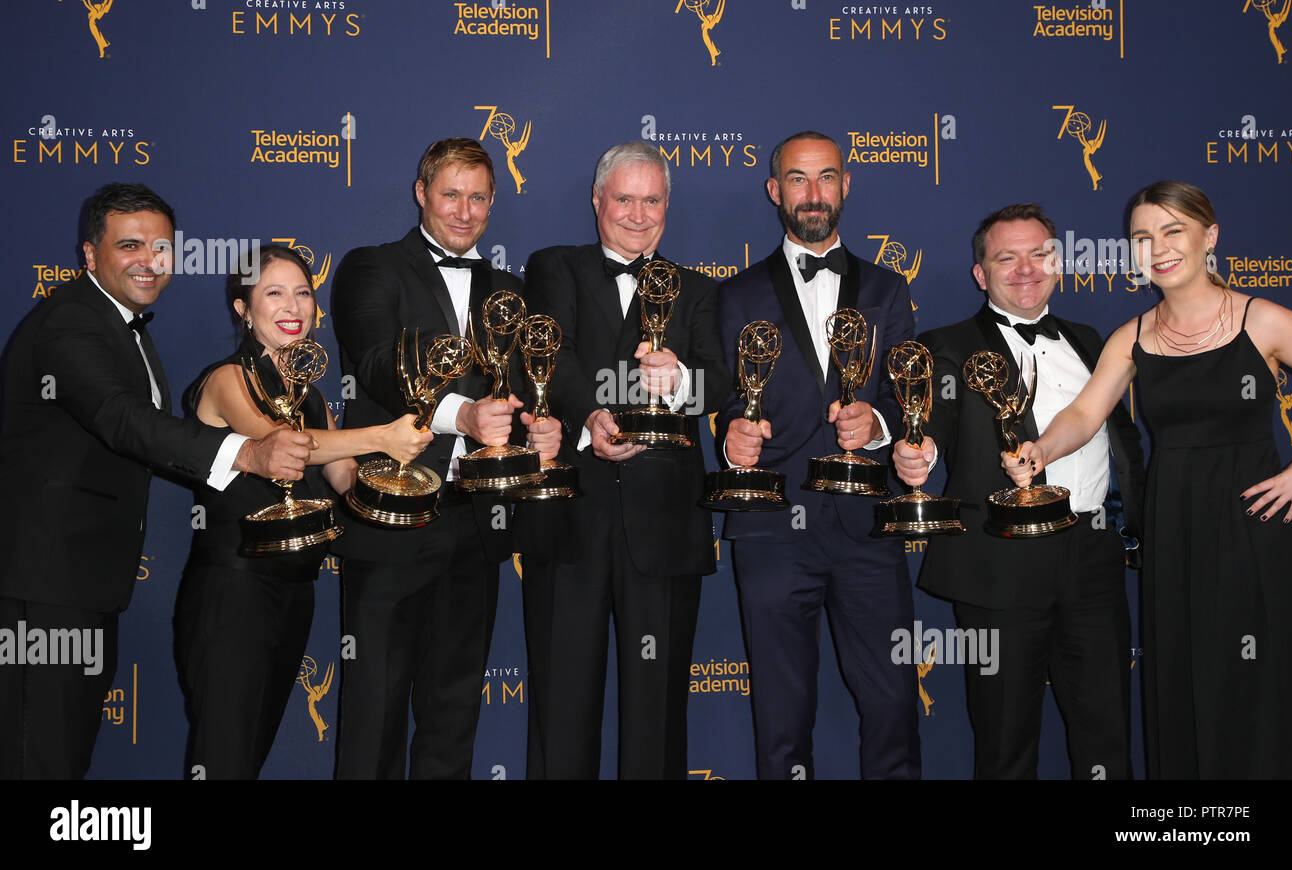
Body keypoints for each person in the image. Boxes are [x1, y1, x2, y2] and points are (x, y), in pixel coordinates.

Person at [0, 183, 311, 779]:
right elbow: (124, 421)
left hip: (83, 585)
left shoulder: (123, 327)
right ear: (90, 255)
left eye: (161, 247)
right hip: (44, 588)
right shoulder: (71, 321)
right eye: (130, 246)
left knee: (62, 756)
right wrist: (245, 452)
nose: (150, 260)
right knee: (36, 756)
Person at [1006, 181, 1292, 778]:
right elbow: (1085, 415)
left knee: (1256, 677)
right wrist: (1037, 451)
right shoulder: (1133, 337)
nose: (1158, 248)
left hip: (1255, 526)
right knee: (1185, 675)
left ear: (1209, 237)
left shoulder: (1261, 318)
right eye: (1143, 237)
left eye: (1173, 231)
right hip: (1175, 528)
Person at [893, 203, 1144, 779]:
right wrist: (915, 456)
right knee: (1005, 739)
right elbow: (925, 432)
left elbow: (1122, 441)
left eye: (1039, 254)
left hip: (1092, 557)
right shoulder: (945, 346)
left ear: (1057, 263)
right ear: (981, 274)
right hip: (997, 558)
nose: (1025, 269)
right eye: (1006, 258)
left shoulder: (1089, 340)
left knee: (1107, 732)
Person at [330, 138, 548, 779]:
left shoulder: (511, 290)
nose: (463, 210)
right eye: (450, 193)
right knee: (373, 720)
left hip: (475, 526)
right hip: (389, 520)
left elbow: (529, 388)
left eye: (478, 196)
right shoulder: (371, 268)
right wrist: (465, 415)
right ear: (421, 192)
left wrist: (545, 425)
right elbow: (376, 365)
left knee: (453, 721)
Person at [174, 246, 434, 779]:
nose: (292, 305)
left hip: (294, 590)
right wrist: (382, 434)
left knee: (250, 755)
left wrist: (403, 474)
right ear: (243, 310)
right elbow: (284, 445)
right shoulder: (226, 379)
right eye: (273, 292)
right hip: (233, 591)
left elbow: (343, 476)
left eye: (303, 292)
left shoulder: (309, 395)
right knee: (222, 759)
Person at [513, 141, 729, 779]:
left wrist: (681, 380)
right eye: (625, 199)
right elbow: (551, 351)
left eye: (652, 200)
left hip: (664, 524)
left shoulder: (699, 290)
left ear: (669, 205)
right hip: (571, 517)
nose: (638, 214)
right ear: (597, 201)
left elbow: (718, 381)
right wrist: (592, 420)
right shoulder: (555, 267)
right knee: (561, 707)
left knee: (657, 716)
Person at [716, 130, 919, 779]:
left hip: (866, 529)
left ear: (846, 185)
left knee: (893, 707)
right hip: (773, 528)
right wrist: (728, 430)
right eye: (798, 179)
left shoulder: (888, 289)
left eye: (826, 177)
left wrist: (880, 423)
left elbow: (902, 390)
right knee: (781, 715)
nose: (813, 194)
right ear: (775, 190)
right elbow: (722, 395)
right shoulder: (735, 295)